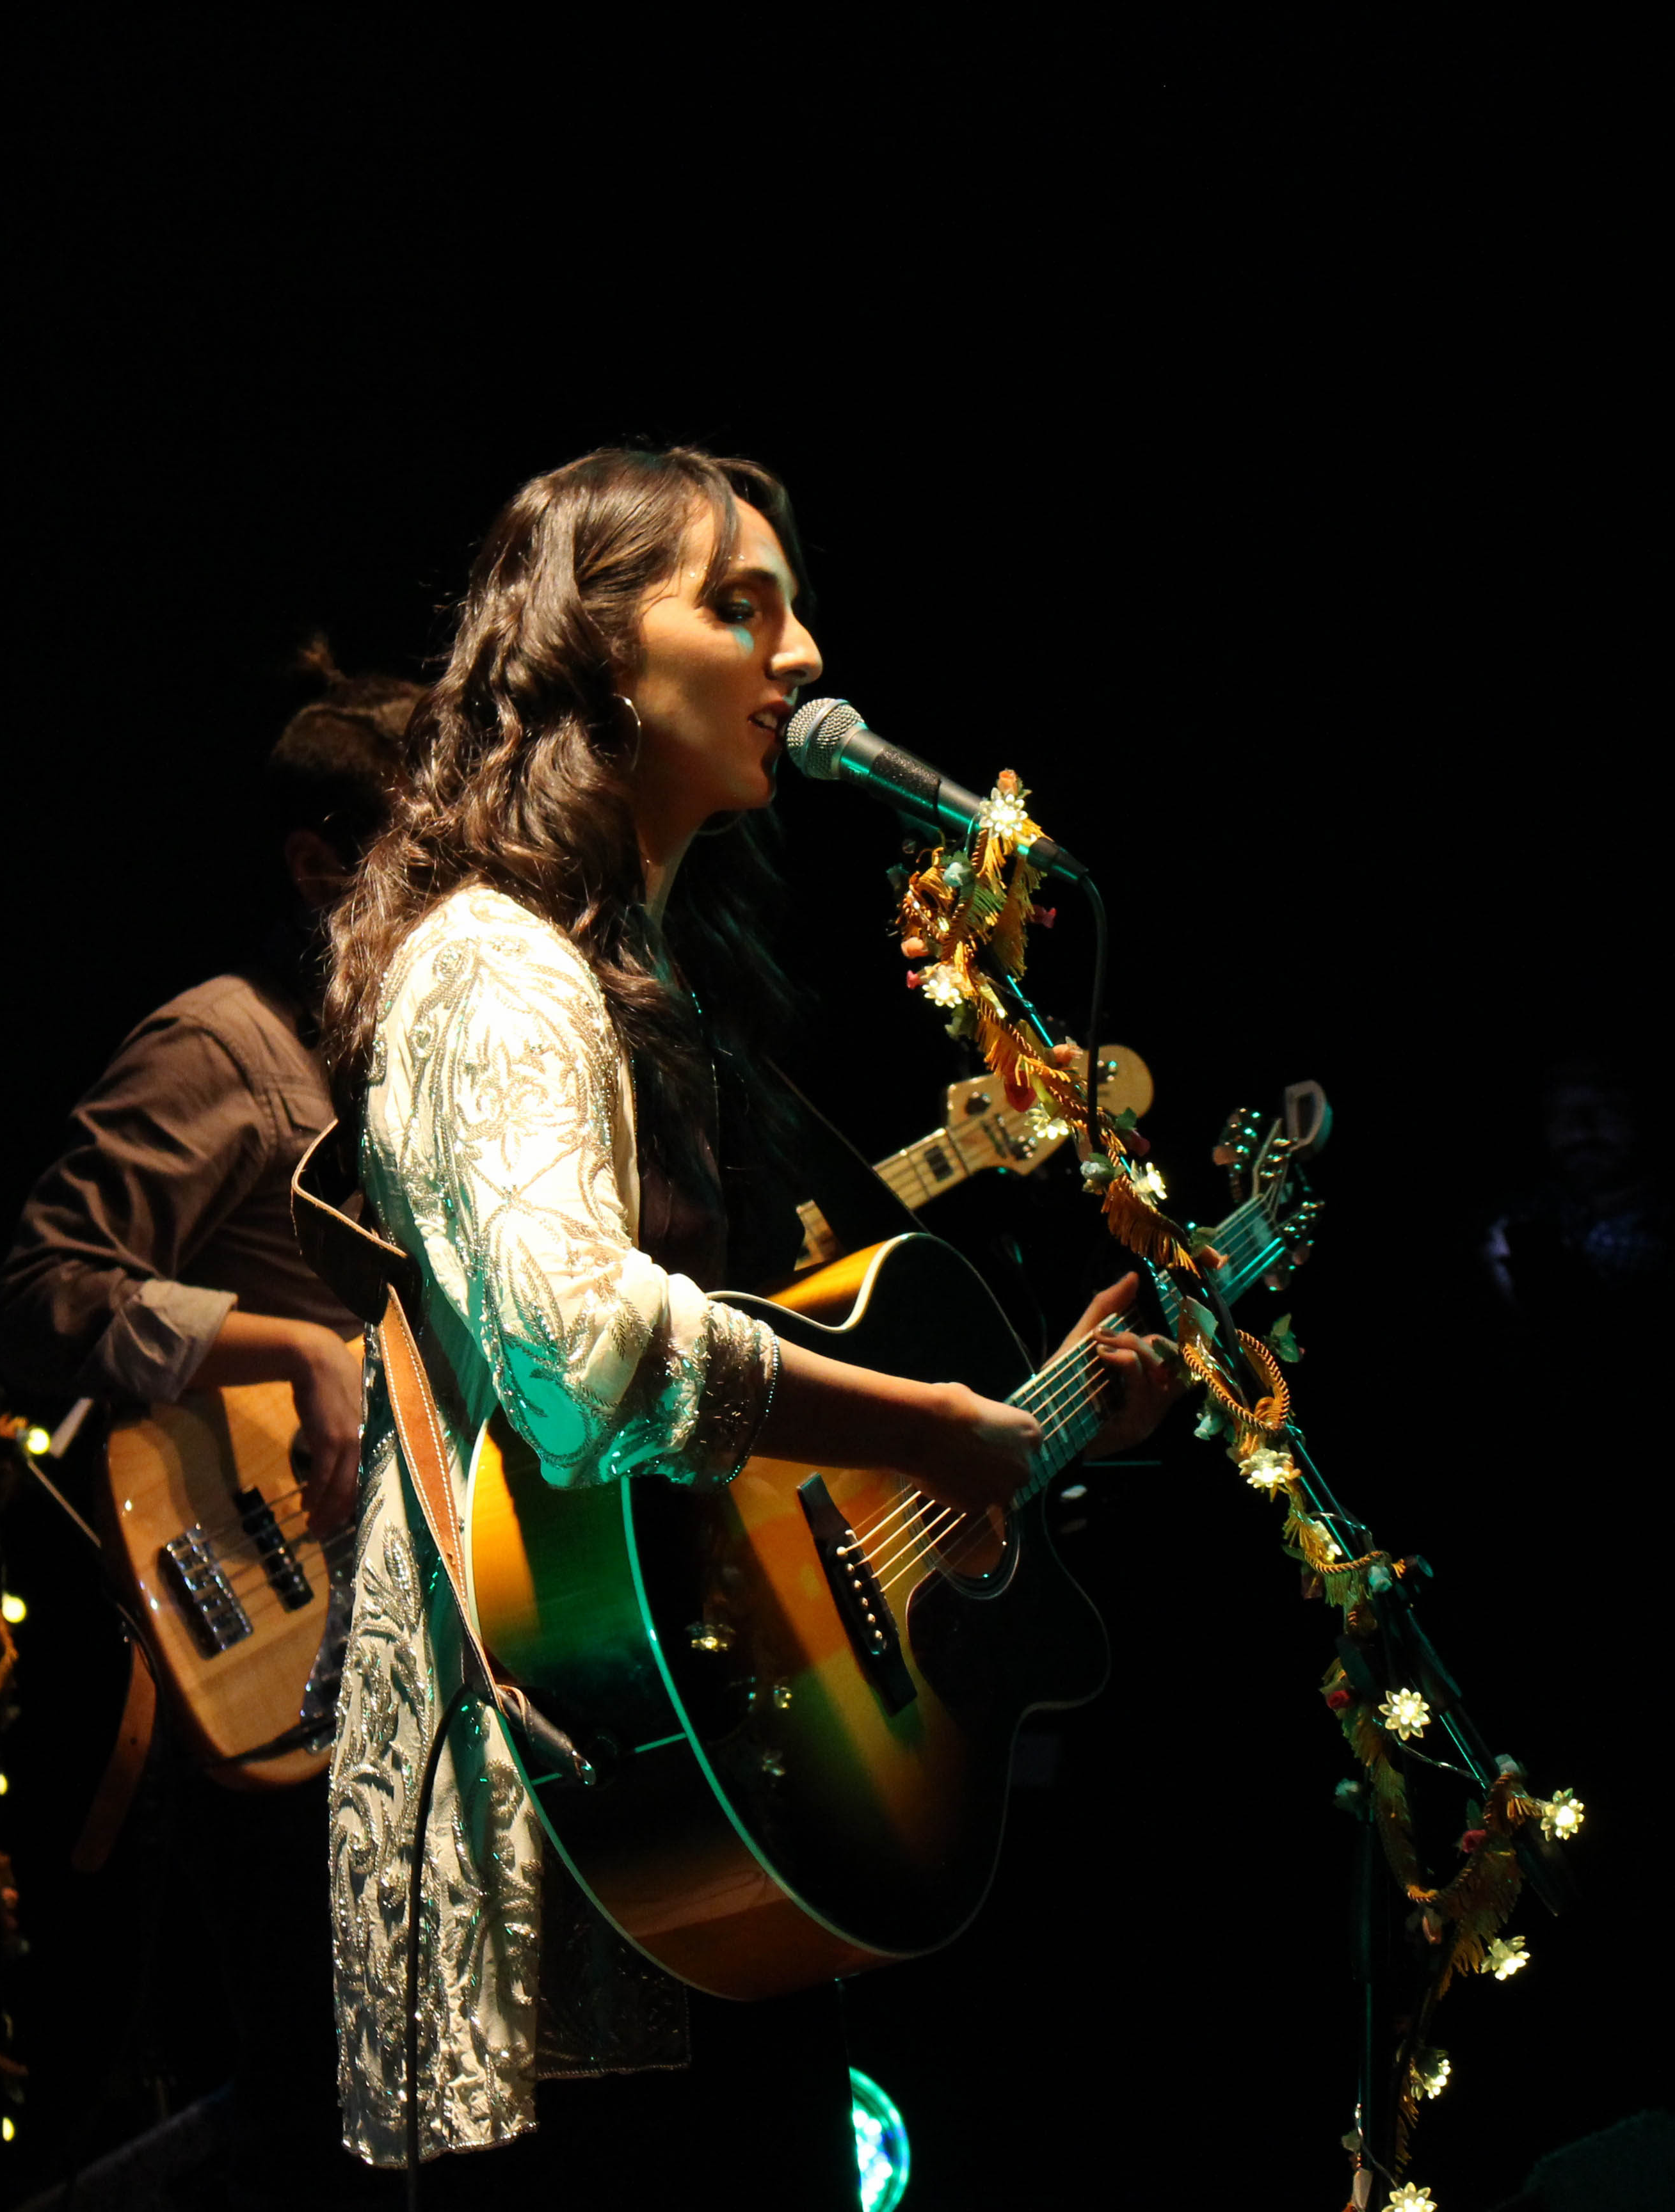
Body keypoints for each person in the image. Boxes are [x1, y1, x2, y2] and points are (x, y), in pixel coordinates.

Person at [315, 447, 1186, 2200]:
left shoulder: (655, 976)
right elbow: (583, 1364)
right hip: (563, 1819)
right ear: (593, 652)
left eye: (796, 610)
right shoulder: (493, 970)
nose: (801, 657)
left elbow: (721, 1447)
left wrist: (1028, 1435)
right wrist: (929, 1427)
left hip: (700, 1802)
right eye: (740, 606)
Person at [0, 646, 422, 2203]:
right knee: (308, 2104)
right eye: (423, 852)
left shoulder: (395, 1057)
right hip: (250, 1628)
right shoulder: (224, 1041)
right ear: (320, 864)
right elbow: (42, 1289)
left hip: (387, 1636)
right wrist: (284, 1339)